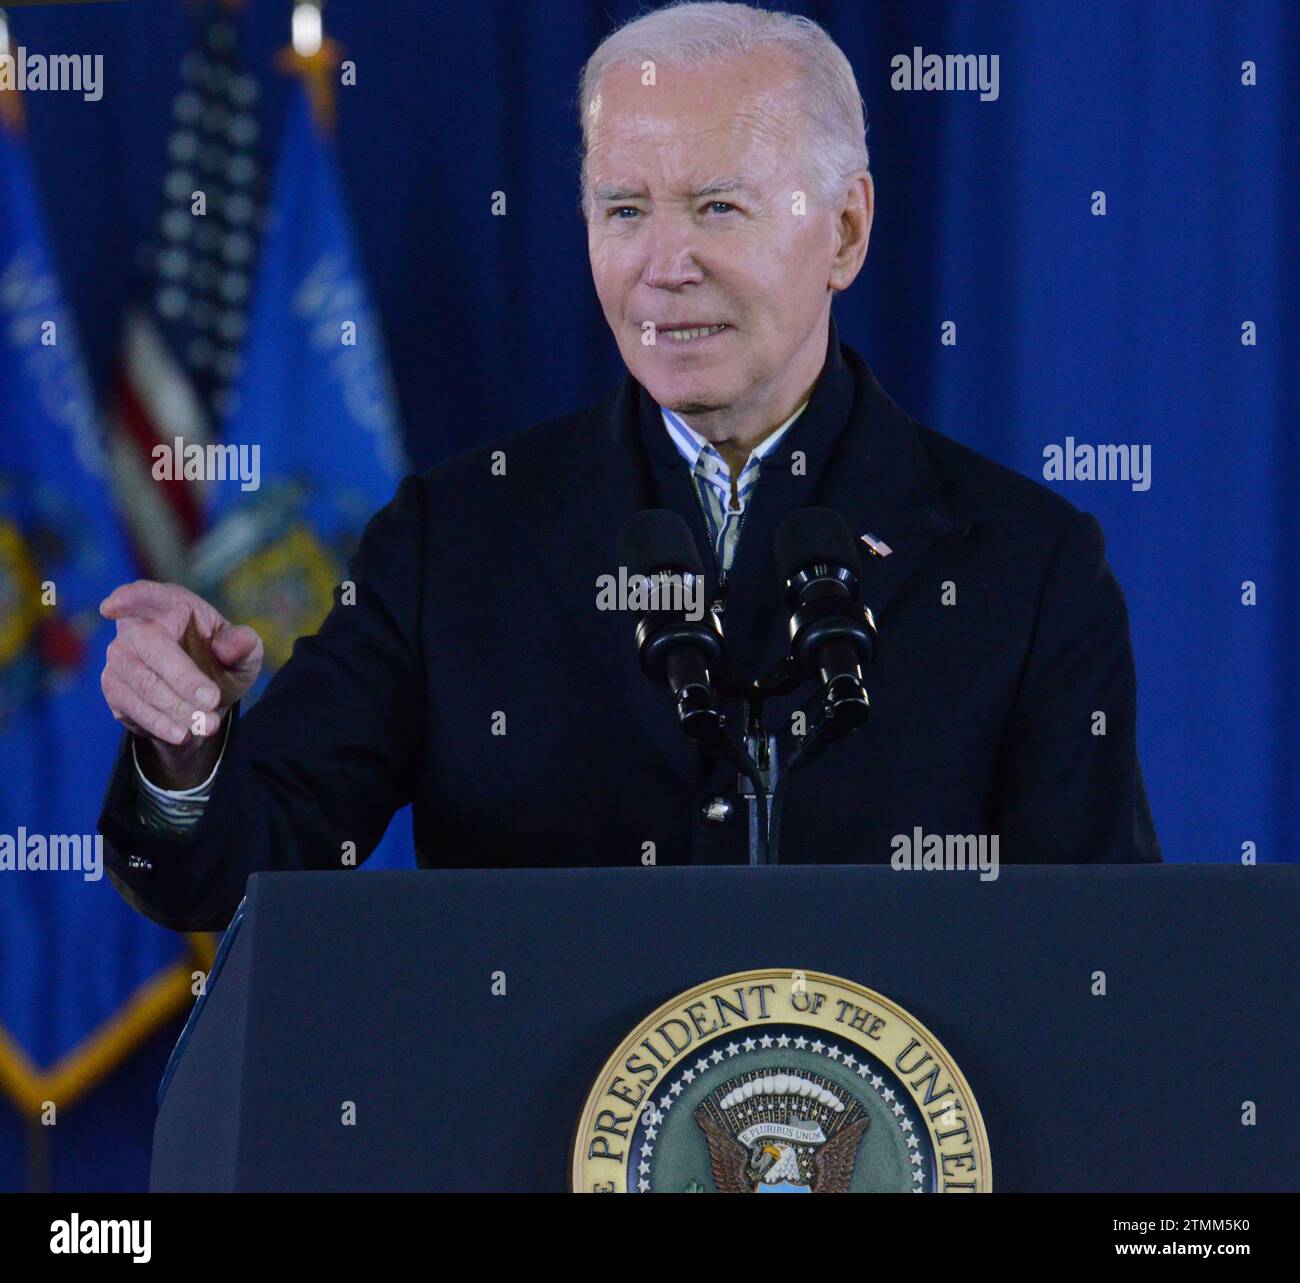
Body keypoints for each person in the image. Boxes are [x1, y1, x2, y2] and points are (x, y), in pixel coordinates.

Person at [97, 1, 1160, 932]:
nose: (665, 265)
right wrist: (185, 753)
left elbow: (1093, 964)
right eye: (624, 210)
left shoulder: (1025, 567)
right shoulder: (454, 539)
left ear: (844, 230)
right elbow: (235, 870)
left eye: (718, 207)